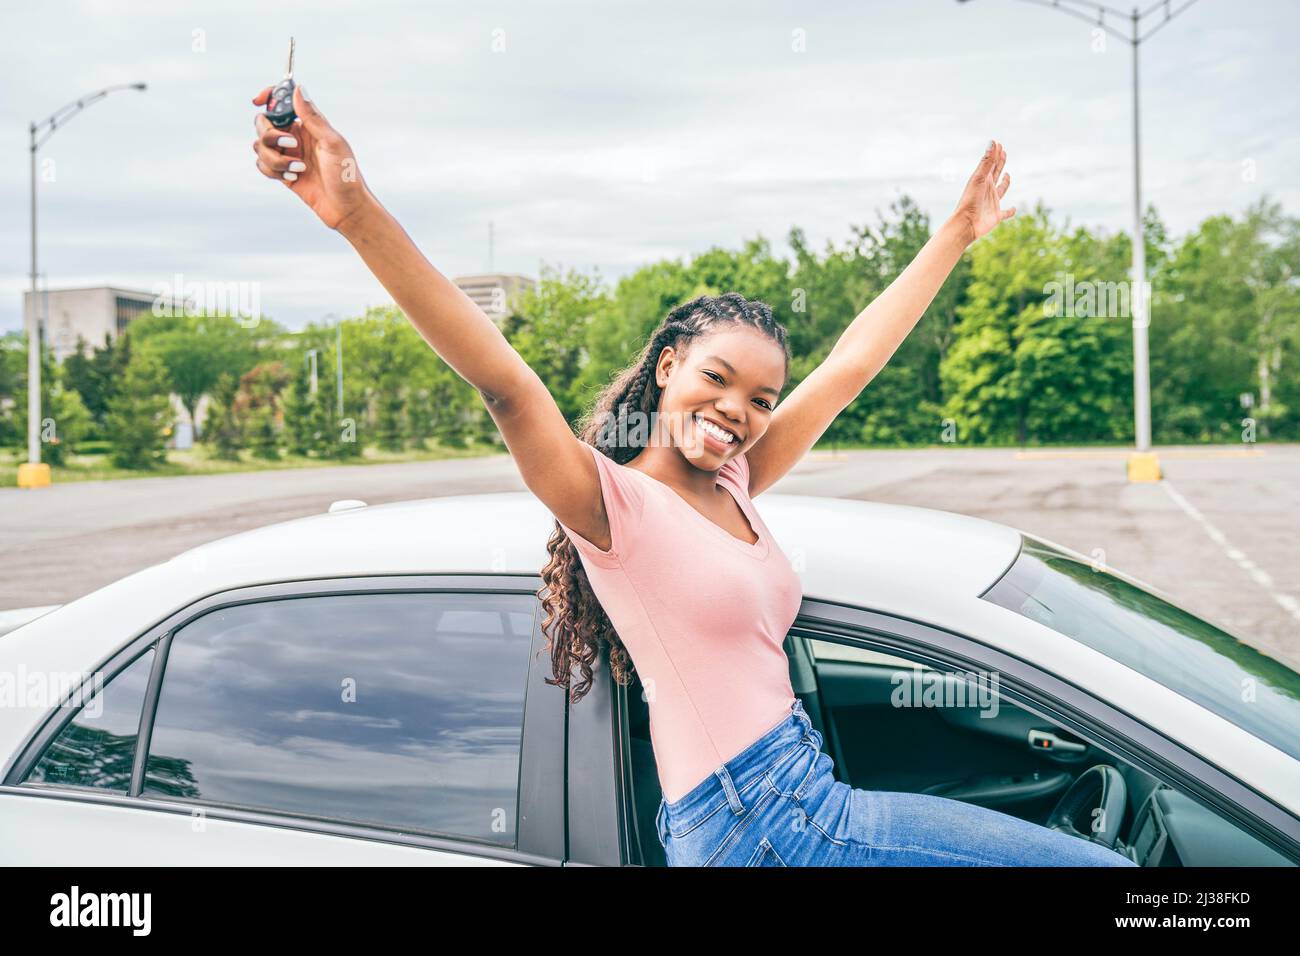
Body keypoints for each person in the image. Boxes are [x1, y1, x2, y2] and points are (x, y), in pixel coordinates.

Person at [250, 85, 1136, 867]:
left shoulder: (737, 483)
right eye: (716, 378)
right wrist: (355, 210)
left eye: (760, 397)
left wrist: (957, 233)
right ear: (668, 364)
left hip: (784, 802)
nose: (737, 409)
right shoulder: (616, 505)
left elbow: (851, 367)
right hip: (770, 824)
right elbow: (506, 383)